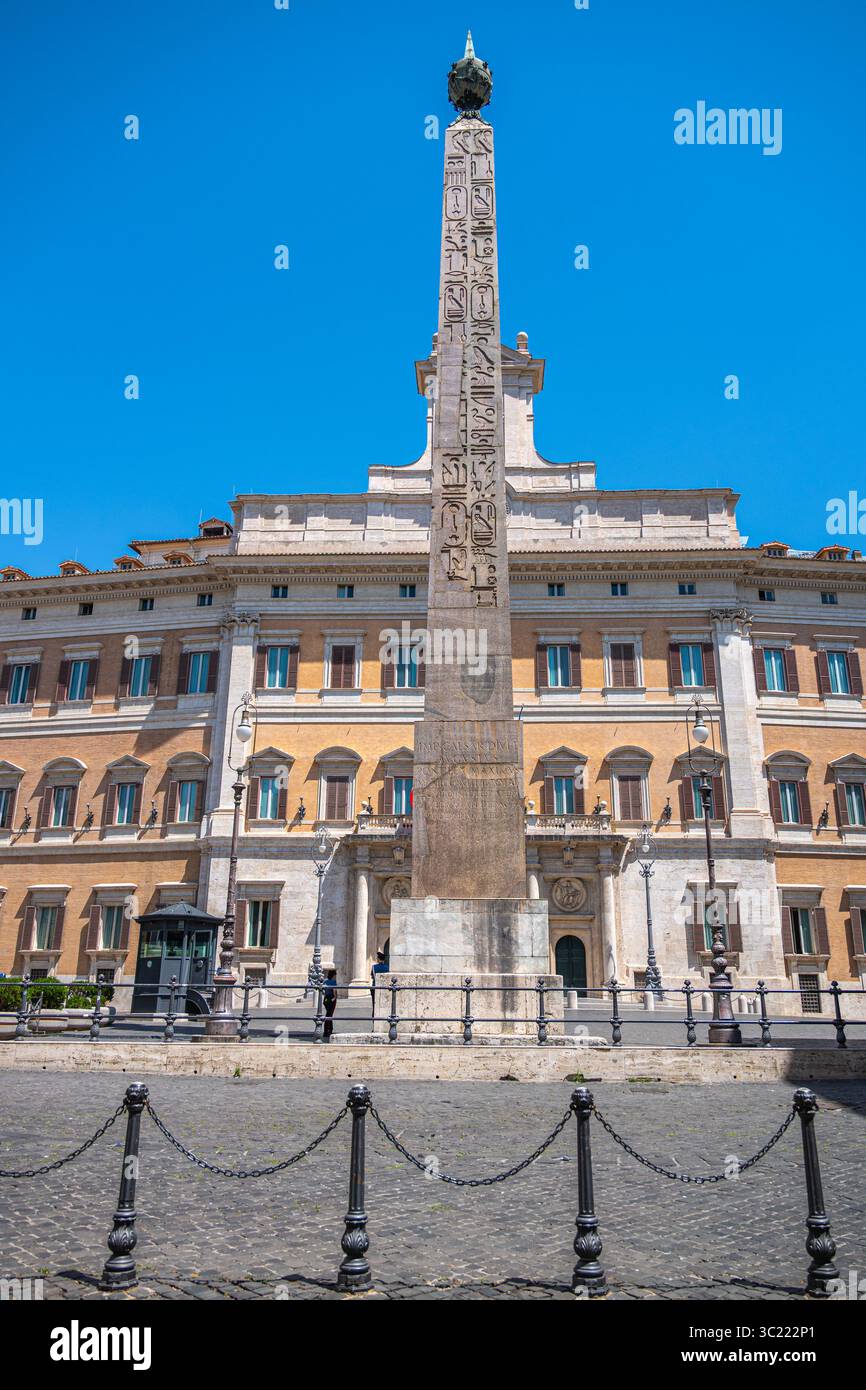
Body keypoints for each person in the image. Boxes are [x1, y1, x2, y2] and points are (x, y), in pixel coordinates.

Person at [322, 968, 338, 1041]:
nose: (336, 976)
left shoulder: (325, 981)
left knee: (329, 1014)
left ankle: (329, 1030)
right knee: (329, 1015)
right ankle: (327, 1031)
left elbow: (323, 989)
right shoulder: (333, 981)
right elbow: (334, 991)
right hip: (331, 999)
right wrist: (335, 998)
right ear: (333, 975)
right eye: (335, 974)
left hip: (325, 999)